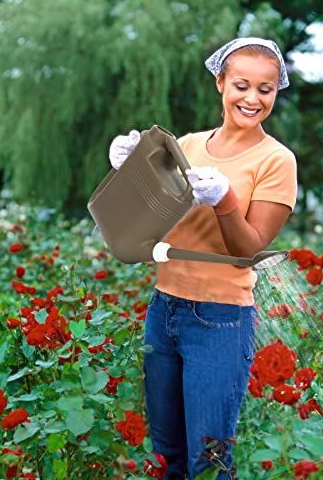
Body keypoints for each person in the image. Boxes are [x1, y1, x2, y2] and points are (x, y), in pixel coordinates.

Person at [109, 37, 297, 479]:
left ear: (276, 92)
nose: (252, 98)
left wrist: (225, 199)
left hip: (220, 320)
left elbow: (248, 250)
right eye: (242, 85)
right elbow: (147, 218)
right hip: (163, 309)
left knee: (208, 459)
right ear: (220, 83)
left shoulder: (276, 160)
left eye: (265, 90)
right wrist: (129, 170)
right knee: (166, 454)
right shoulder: (188, 146)